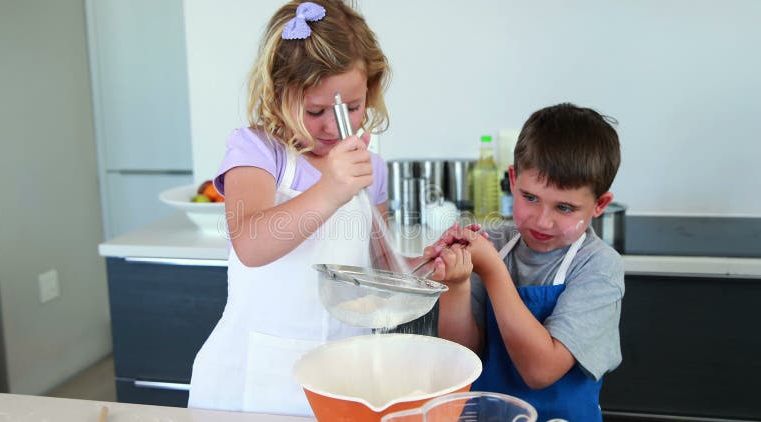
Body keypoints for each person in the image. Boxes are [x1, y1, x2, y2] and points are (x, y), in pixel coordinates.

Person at [188, 1, 393, 415]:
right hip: (257, 377)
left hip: (342, 371)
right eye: (317, 111)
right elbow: (250, 243)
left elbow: (383, 267)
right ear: (278, 93)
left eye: (351, 107)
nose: (336, 127)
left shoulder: (369, 168)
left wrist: (427, 263)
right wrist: (331, 188)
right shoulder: (258, 153)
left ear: (370, 90)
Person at [431, 103, 624, 421]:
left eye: (564, 208)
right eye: (530, 198)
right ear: (512, 179)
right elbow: (462, 357)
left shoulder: (599, 267)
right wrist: (456, 284)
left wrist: (492, 270)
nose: (542, 221)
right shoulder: (494, 242)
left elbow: (540, 371)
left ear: (599, 204)